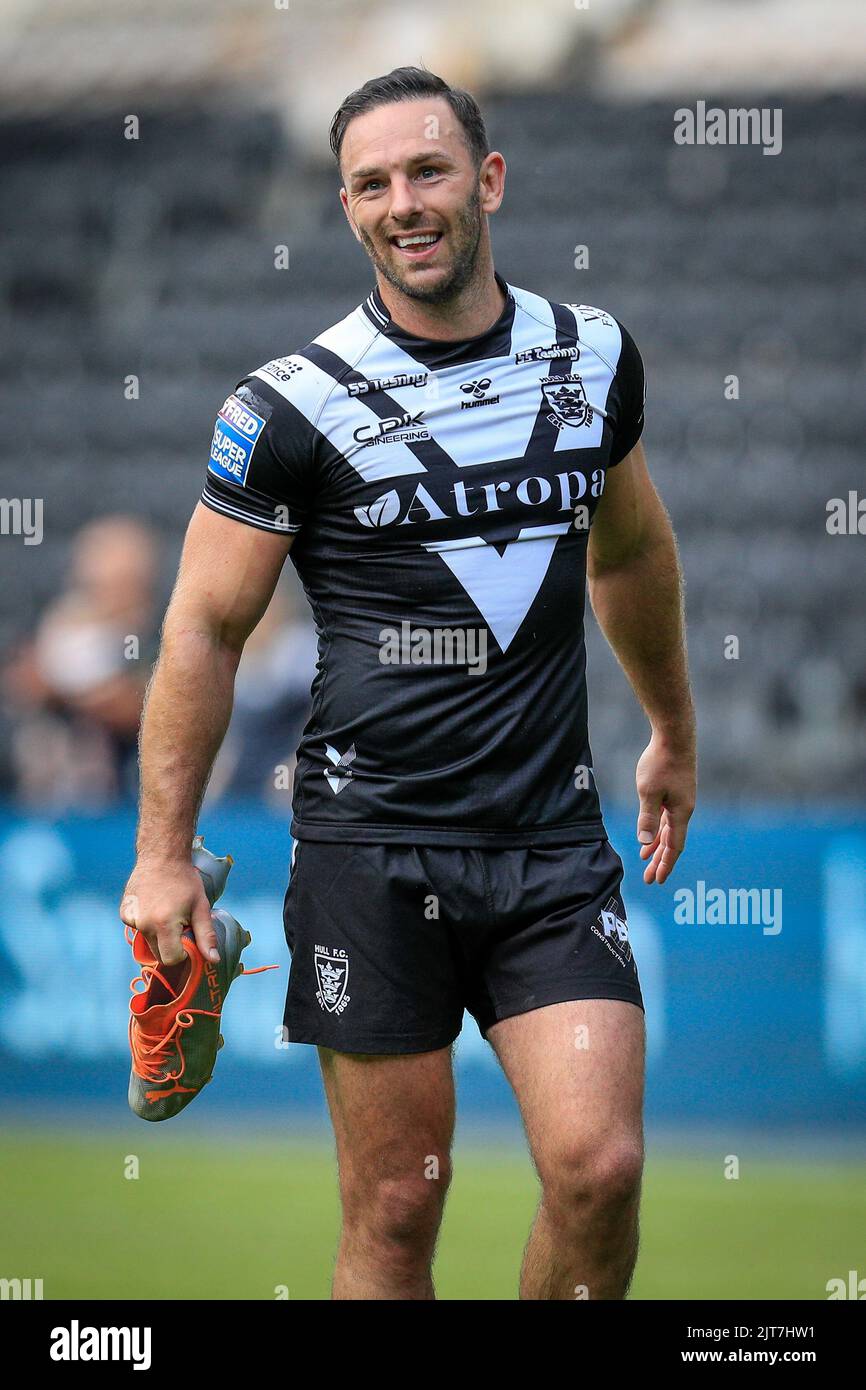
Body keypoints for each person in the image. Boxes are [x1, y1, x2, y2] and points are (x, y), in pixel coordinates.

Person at [120, 65, 696, 1300]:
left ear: (485, 180)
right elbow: (203, 631)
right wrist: (163, 850)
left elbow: (634, 549)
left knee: (597, 1167)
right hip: (368, 852)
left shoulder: (591, 356)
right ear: (344, 208)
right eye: (371, 183)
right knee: (394, 1209)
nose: (403, 202)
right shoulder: (286, 404)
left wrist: (671, 732)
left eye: (427, 170)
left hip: (548, 845)